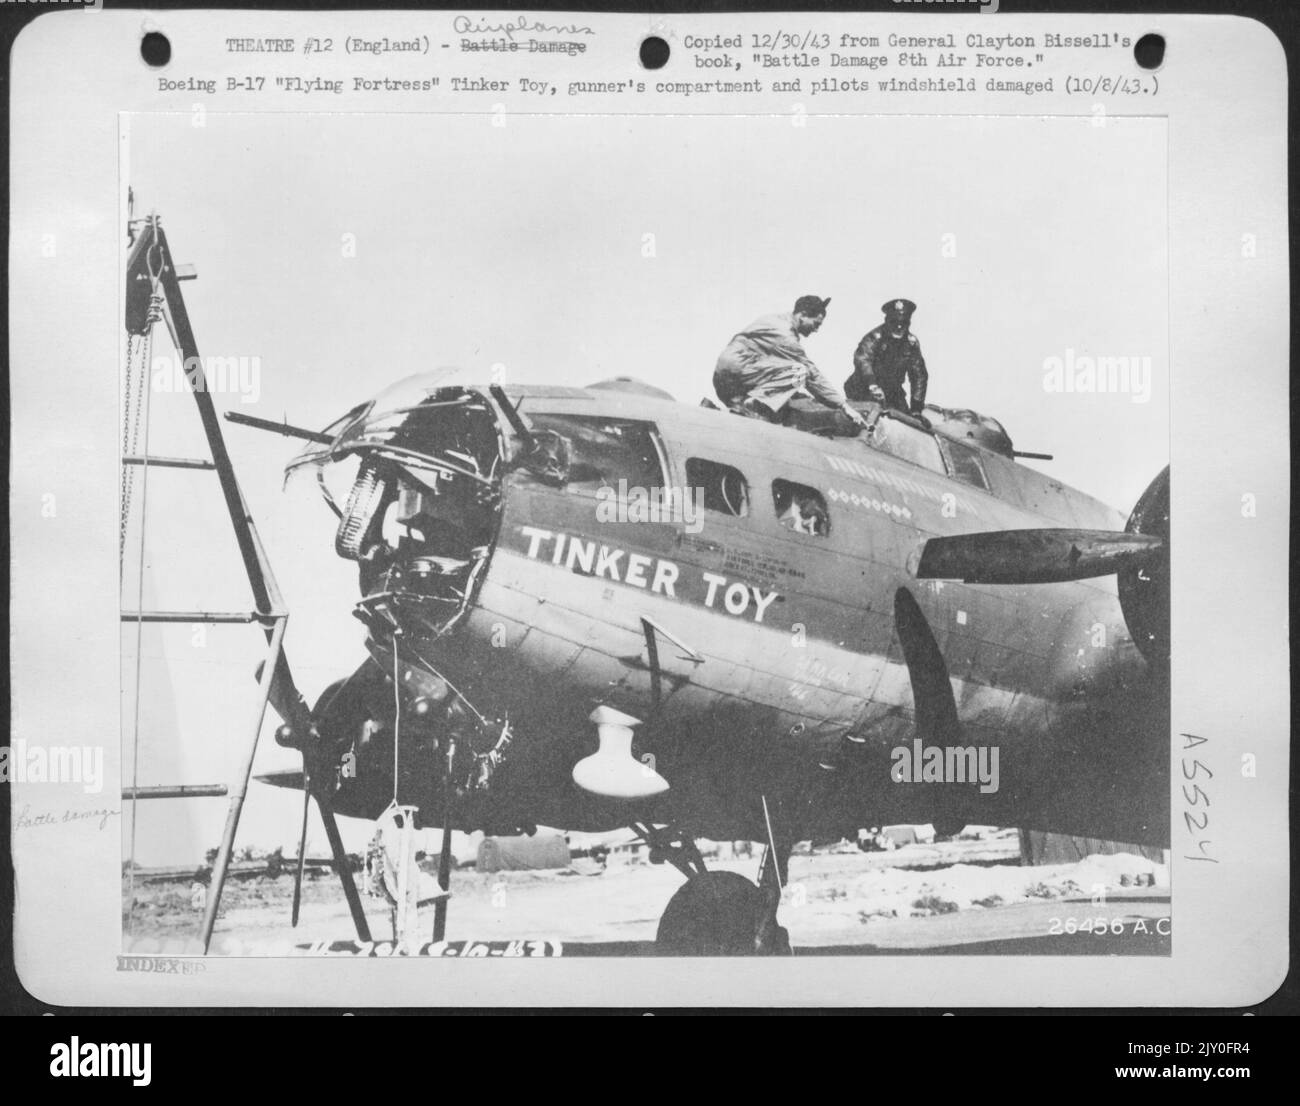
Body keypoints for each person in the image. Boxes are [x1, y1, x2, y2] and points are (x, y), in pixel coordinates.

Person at [714, 295, 869, 429]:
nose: (816, 330)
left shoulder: (774, 320)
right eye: (816, 324)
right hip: (735, 376)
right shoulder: (785, 334)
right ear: (802, 315)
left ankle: (745, 404)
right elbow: (813, 375)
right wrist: (843, 406)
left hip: (730, 378)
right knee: (800, 372)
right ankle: (755, 405)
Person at [845, 298, 929, 417]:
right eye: (895, 322)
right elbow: (863, 360)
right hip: (864, 388)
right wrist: (872, 385)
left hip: (893, 392)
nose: (899, 327)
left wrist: (916, 408)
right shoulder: (874, 337)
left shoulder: (911, 344)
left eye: (903, 323)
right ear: (887, 321)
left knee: (907, 421)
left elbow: (919, 376)